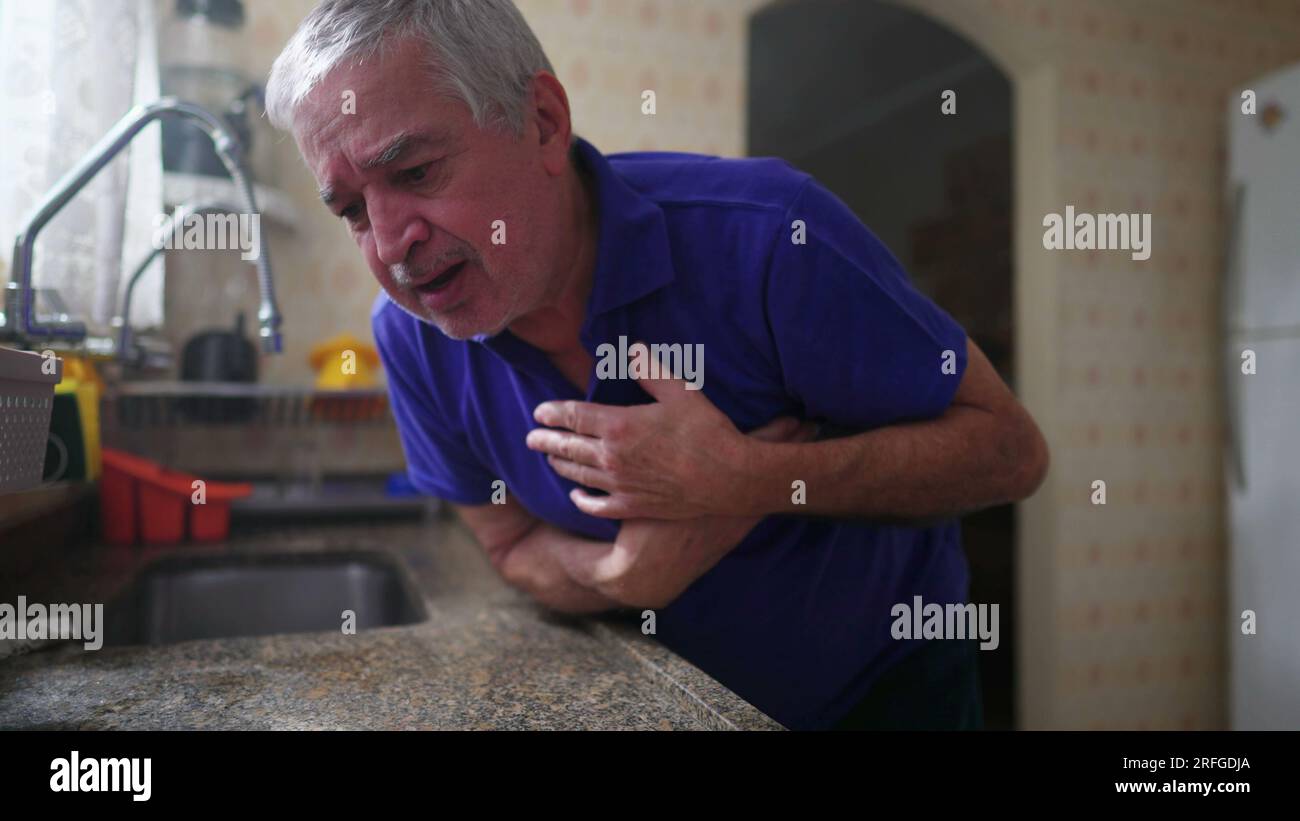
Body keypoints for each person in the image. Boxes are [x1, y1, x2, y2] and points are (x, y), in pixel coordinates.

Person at [265, 0, 1049, 730]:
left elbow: (1010, 453)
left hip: (888, 693)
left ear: (542, 121)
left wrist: (746, 479)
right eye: (353, 211)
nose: (391, 245)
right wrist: (622, 575)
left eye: (414, 173)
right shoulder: (409, 337)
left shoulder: (774, 235)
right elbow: (507, 546)